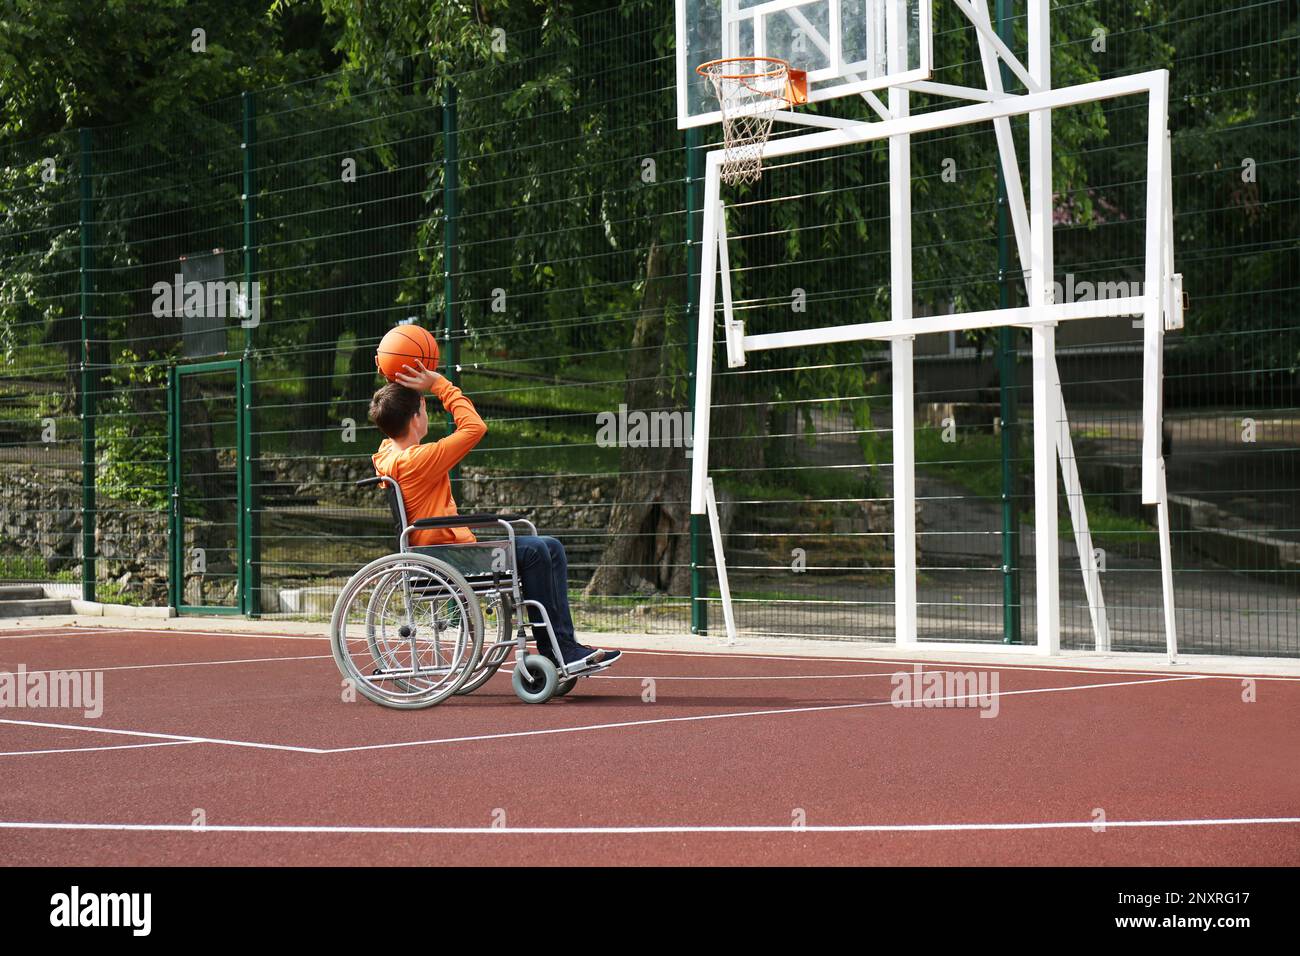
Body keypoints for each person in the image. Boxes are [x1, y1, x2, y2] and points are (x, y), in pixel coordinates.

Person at [368, 359, 620, 669]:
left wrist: (396, 386)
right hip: (446, 557)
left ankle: (563, 645)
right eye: (424, 408)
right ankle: (556, 651)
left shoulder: (387, 453)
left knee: (549, 546)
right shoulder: (419, 459)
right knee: (537, 551)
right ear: (416, 416)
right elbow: (475, 427)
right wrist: (438, 385)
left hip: (433, 551)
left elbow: (390, 422)